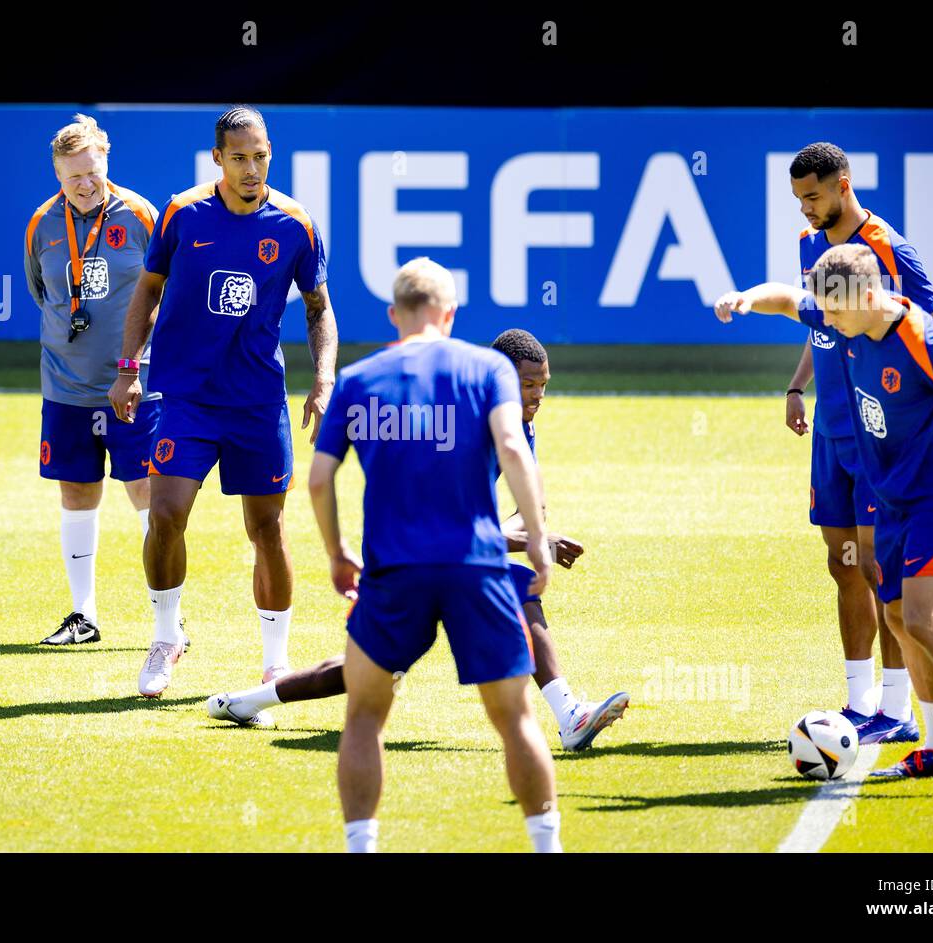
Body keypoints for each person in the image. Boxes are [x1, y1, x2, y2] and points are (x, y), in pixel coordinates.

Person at [206, 328, 629, 752]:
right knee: (361, 670)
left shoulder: (515, 425)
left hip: (449, 560)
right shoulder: (456, 428)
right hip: (403, 561)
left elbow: (526, 511)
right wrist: (529, 540)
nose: (537, 395)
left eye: (543, 385)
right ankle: (248, 701)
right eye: (528, 385)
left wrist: (534, 534)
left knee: (513, 586)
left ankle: (569, 714)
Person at [713, 243, 933, 797]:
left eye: (834, 313)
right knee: (898, 617)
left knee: (926, 620)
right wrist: (744, 299)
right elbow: (788, 301)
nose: (825, 324)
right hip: (893, 499)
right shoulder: (846, 317)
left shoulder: (923, 339)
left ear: (868, 295)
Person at [309, 257, 561, 852]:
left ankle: (361, 846)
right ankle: (547, 845)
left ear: (395, 315)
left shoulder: (359, 378)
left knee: (366, 716)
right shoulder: (486, 369)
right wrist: (540, 546)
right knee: (516, 719)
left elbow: (319, 479)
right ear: (450, 314)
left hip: (393, 571)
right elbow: (513, 450)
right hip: (476, 566)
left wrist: (337, 552)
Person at [108, 105, 337, 697]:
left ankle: (276, 663)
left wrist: (324, 379)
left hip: (258, 402)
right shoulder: (183, 213)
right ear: (218, 159)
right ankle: (166, 636)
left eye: (261, 156)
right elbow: (148, 290)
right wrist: (129, 369)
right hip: (186, 396)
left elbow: (319, 308)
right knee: (165, 514)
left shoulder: (295, 224)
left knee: (267, 528)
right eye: (239, 157)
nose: (252, 168)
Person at [782, 142, 933, 744]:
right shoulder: (811, 245)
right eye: (799, 199)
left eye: (813, 197)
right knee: (842, 565)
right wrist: (797, 386)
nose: (806, 210)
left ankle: (897, 707)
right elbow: (820, 319)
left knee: (880, 567)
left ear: (843, 183)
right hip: (831, 429)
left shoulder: (888, 246)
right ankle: (858, 702)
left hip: (878, 433)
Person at [24, 114, 170, 647]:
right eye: (72, 177)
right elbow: (44, 294)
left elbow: (164, 291)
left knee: (147, 491)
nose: (84, 184)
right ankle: (82, 615)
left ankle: (168, 617)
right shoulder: (42, 223)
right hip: (65, 386)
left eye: (92, 171)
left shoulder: (141, 215)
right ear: (57, 175)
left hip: (136, 383)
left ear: (106, 160)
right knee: (76, 490)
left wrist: (134, 362)